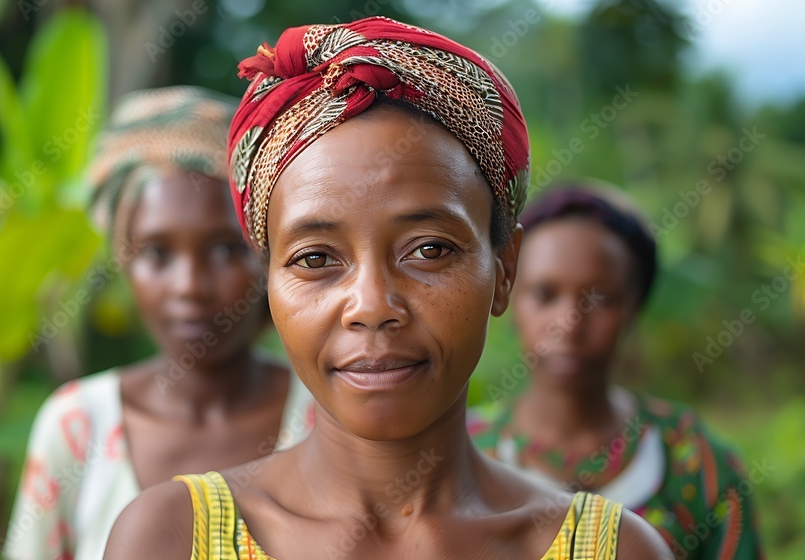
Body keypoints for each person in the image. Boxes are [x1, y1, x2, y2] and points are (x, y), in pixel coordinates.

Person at [105, 17, 672, 559]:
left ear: (504, 269)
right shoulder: (170, 538)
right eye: (316, 258)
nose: (372, 306)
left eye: (429, 250)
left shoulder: (616, 550)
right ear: (269, 283)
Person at [2, 86, 313, 560]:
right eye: (156, 253)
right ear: (123, 259)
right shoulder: (77, 427)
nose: (189, 286)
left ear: (268, 254)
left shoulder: (332, 418)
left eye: (226, 249)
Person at [468, 184, 764, 559]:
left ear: (634, 307)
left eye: (600, 298)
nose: (569, 324)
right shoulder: (459, 455)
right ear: (507, 291)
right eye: (544, 294)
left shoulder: (697, 465)